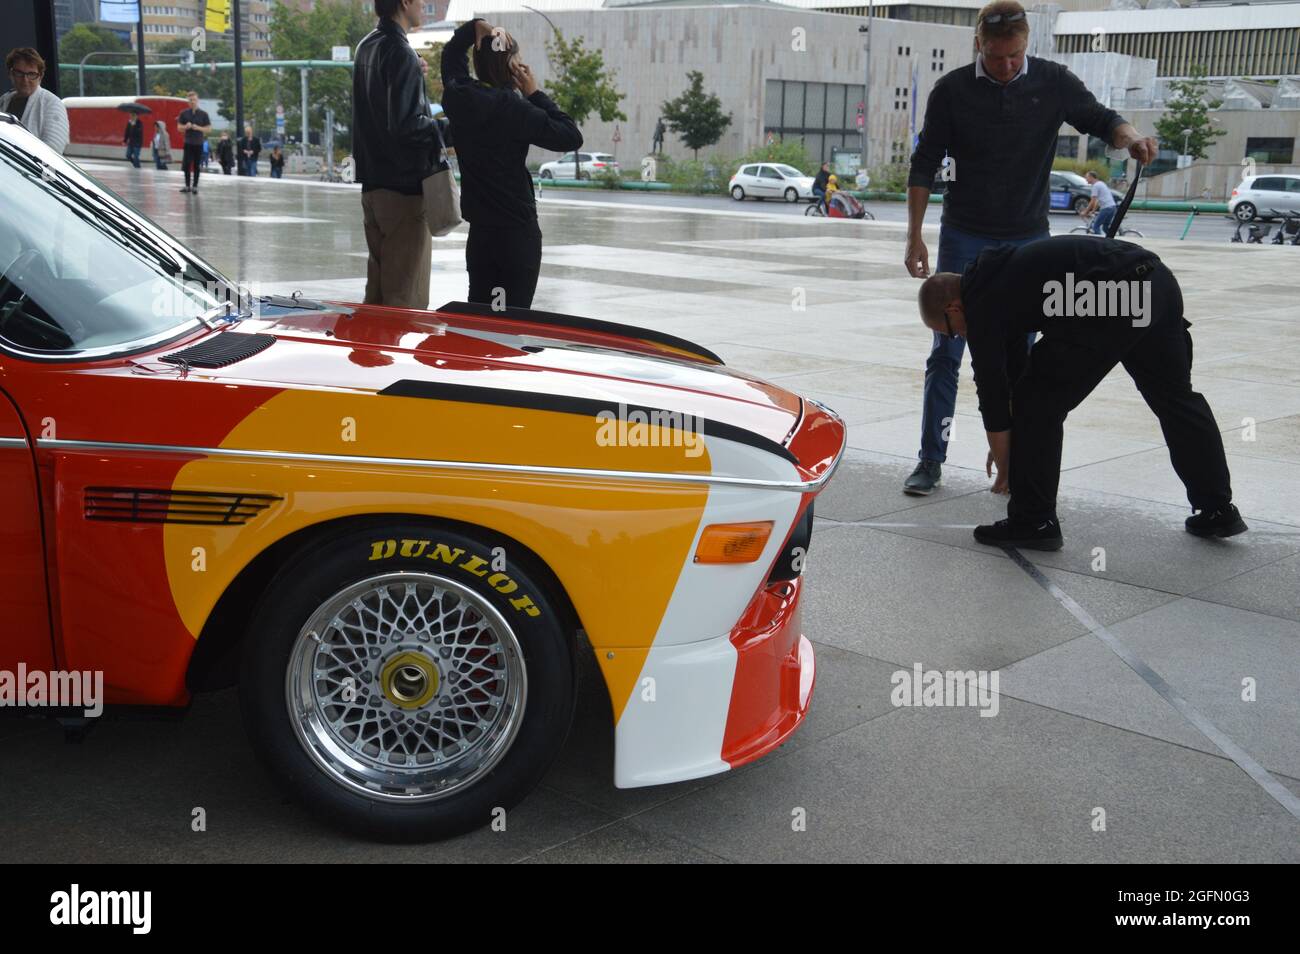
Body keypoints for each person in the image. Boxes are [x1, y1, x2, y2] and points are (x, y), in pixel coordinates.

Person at [900, 0, 1159, 497]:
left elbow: (1100, 118)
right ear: (979, 44)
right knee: (948, 347)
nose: (1007, 66)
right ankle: (931, 458)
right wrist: (914, 234)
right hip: (965, 231)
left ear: (1027, 45)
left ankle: (1014, 459)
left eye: (1016, 56)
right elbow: (924, 163)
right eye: (997, 57)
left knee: (1021, 353)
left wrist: (1129, 137)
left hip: (1025, 237)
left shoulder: (1053, 81)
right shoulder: (951, 91)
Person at [916, 235, 1245, 550]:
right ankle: (1217, 509)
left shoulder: (981, 301)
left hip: (1111, 297)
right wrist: (1012, 443)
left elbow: (991, 389)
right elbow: (1010, 379)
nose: (956, 338)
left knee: (1038, 403)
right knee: (1176, 400)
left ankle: (1034, 521)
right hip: (1156, 285)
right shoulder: (999, 277)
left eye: (949, 332)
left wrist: (1006, 462)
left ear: (954, 308)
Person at [441, 17, 582, 308]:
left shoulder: (459, 98)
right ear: (510, 67)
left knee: (480, 320)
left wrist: (473, 28)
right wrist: (535, 94)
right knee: (511, 323)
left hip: (481, 236)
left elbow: (451, 57)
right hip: (516, 235)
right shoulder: (516, 109)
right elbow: (570, 136)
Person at [353, 0, 445, 308]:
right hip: (403, 192)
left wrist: (412, 73)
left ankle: (371, 354)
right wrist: (444, 129)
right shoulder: (401, 52)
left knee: (377, 295)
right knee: (405, 301)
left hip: (372, 186)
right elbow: (407, 126)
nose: (423, 5)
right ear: (404, 3)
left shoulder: (366, 46)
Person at [0, 48, 69, 154]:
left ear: (40, 76)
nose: (25, 80)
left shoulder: (52, 103)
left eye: (31, 74)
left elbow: (54, 150)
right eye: (19, 73)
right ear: (11, 74)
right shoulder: (4, 100)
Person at [176, 90, 211, 194]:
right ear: (188, 101)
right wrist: (185, 127)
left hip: (198, 143)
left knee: (196, 165)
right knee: (186, 164)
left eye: (194, 100)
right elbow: (179, 128)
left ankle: (195, 186)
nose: (192, 102)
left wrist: (198, 128)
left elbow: (208, 129)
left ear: (197, 100)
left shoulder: (204, 114)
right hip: (188, 142)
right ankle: (187, 186)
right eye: (190, 100)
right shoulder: (184, 113)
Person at [1083, 170, 1117, 235]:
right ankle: (1111, 239)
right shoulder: (1101, 183)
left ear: (1091, 177)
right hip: (1112, 207)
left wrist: (1085, 212)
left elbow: (1092, 201)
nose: (1086, 179)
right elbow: (1098, 201)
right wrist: (1093, 211)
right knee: (1105, 227)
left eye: (1086, 178)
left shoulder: (1095, 186)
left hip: (1106, 208)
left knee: (1095, 227)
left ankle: (1100, 243)